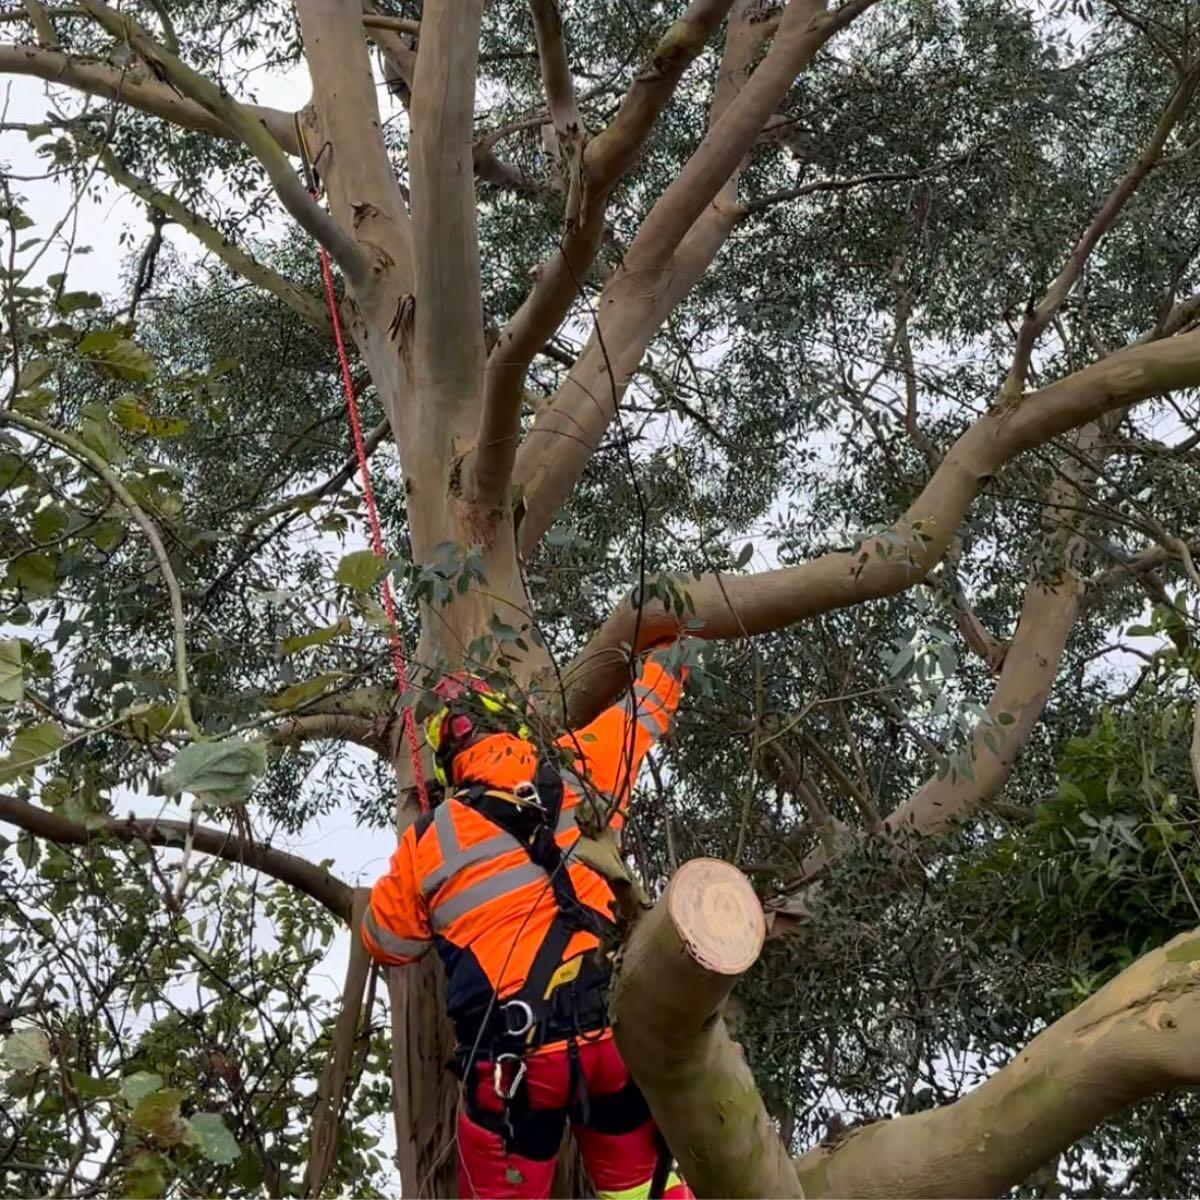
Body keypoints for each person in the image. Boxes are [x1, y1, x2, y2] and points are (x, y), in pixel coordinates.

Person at [361, 645, 693, 1200]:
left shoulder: (431, 838)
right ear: (514, 723)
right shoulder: (582, 765)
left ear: (448, 758)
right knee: (643, 1194)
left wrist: (416, 853)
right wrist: (670, 637)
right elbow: (649, 703)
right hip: (612, 1040)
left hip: (512, 1069)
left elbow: (386, 941)